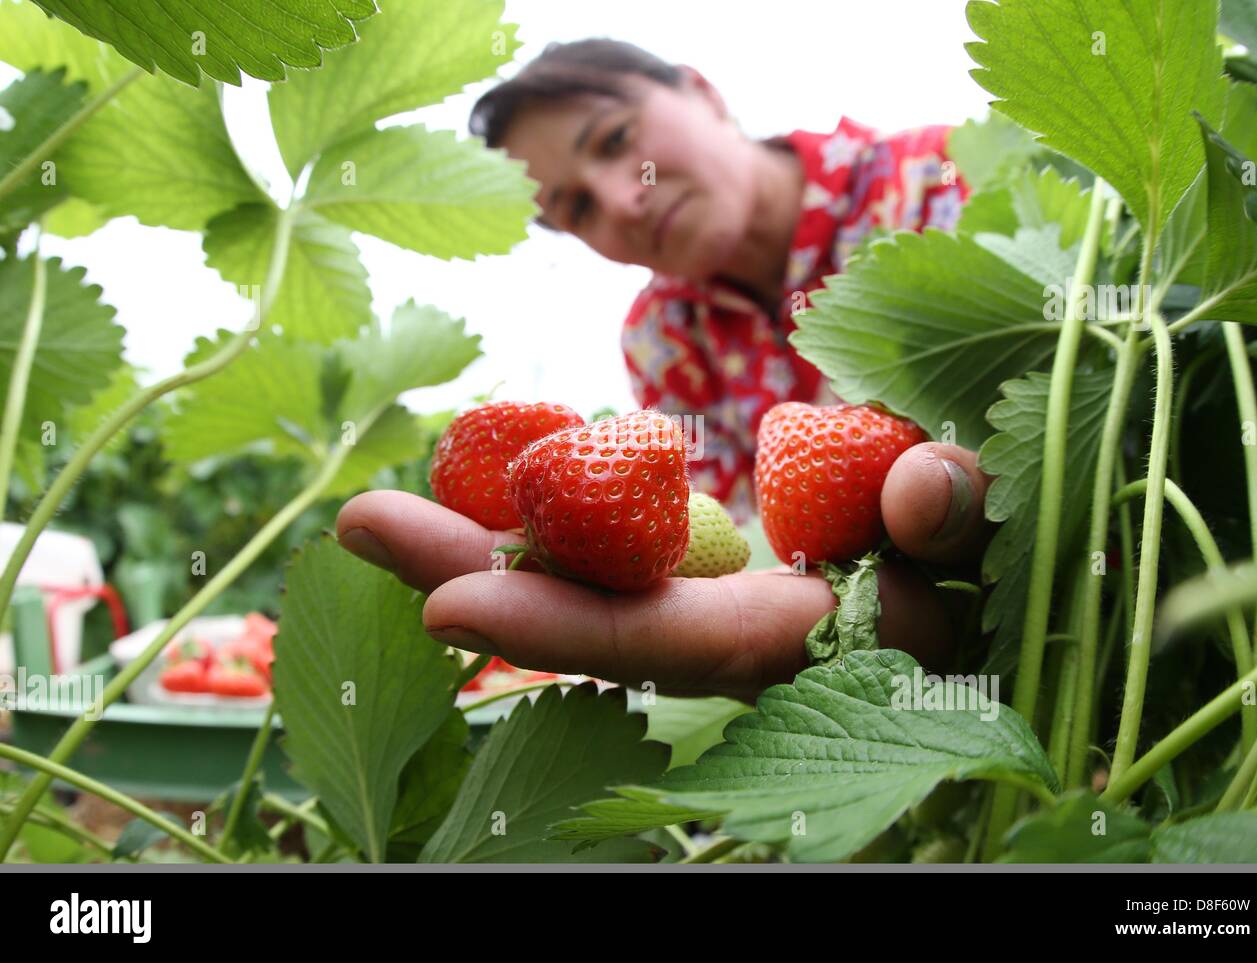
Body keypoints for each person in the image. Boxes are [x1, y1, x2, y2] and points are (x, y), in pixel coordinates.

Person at [336, 39, 994, 702]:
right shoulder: (661, 338)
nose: (625, 199)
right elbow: (725, 540)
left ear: (700, 90)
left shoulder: (942, 177)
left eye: (617, 139)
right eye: (580, 208)